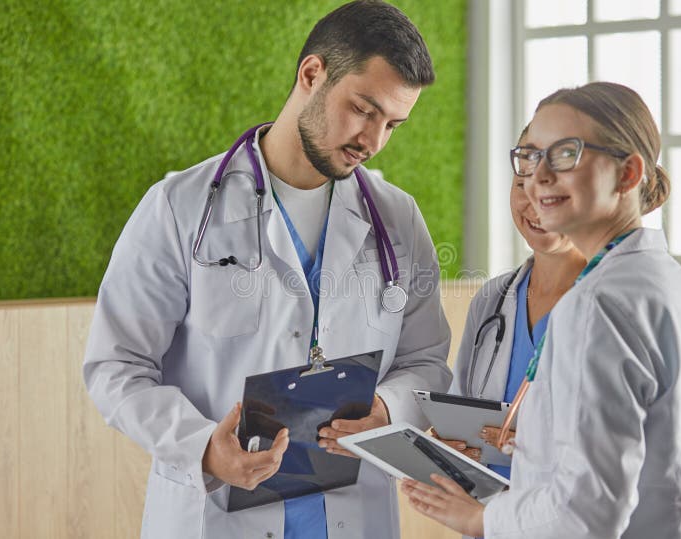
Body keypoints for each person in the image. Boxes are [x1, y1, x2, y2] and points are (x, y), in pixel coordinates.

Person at [83, 2, 452, 538]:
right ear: (311, 74)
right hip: (216, 517)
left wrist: (387, 410)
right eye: (363, 110)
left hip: (352, 515)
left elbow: (426, 361)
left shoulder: (397, 218)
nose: (372, 142)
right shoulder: (180, 207)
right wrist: (202, 445)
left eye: (392, 124)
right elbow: (116, 367)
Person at [402, 81, 681, 538]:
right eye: (531, 157)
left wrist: (481, 519)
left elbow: (583, 515)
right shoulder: (674, 287)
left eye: (566, 154)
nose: (538, 178)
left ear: (628, 175)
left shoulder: (598, 303)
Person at [435, 127, 587, 482]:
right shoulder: (492, 299)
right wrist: (449, 445)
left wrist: (547, 452)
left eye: (557, 191)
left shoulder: (606, 305)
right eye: (524, 185)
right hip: (484, 517)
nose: (536, 203)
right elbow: (461, 412)